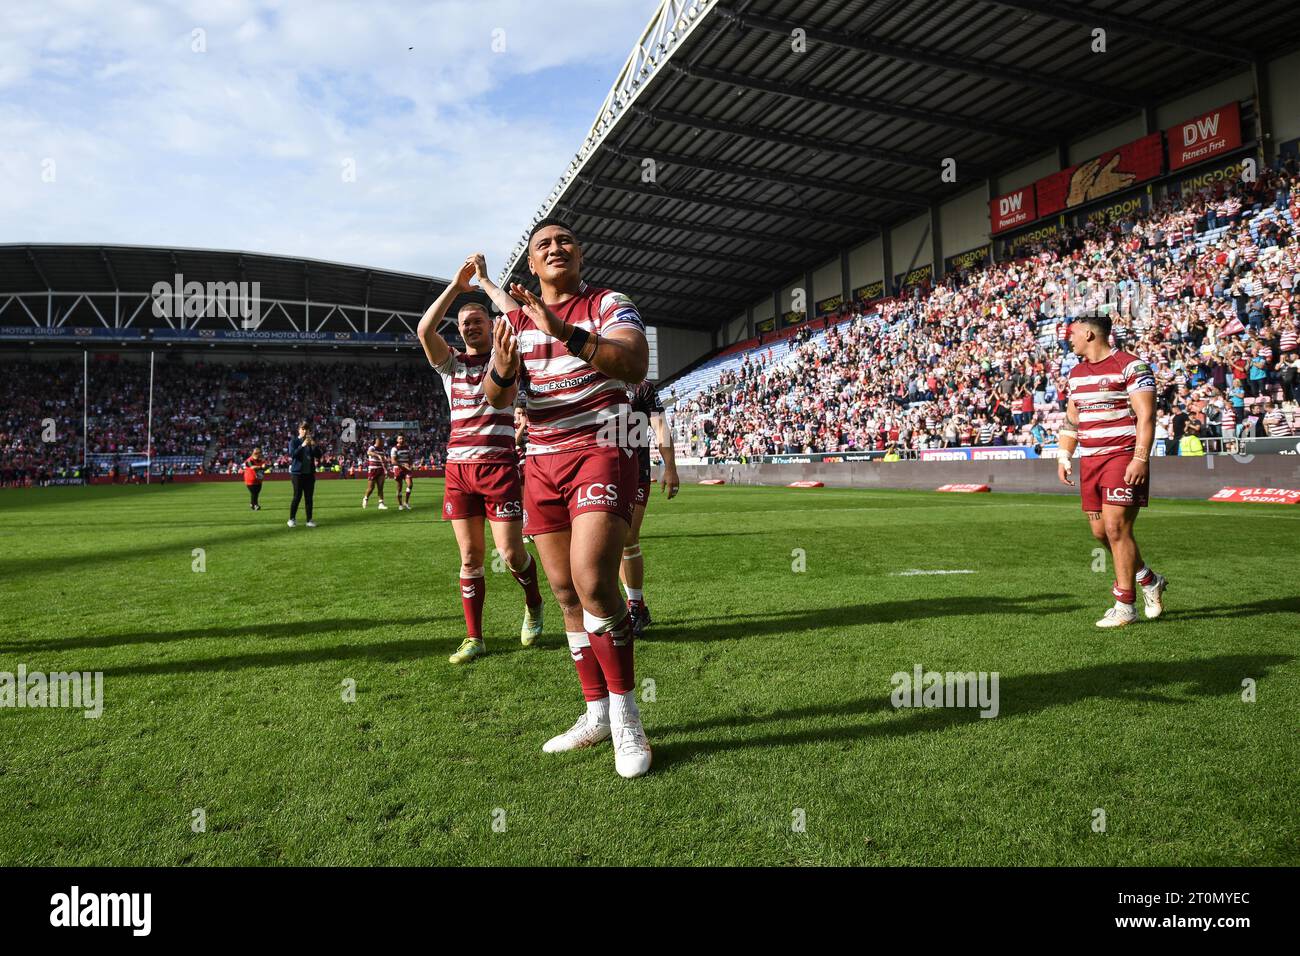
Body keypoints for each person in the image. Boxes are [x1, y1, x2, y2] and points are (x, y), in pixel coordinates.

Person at [483, 219, 653, 778]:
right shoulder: (509, 322)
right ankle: (594, 712)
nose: (556, 249)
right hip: (542, 461)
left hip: (603, 446)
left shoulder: (607, 303)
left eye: (565, 242)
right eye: (543, 245)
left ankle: (628, 719)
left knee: (594, 579)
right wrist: (504, 369)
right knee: (564, 592)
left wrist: (564, 331)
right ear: (530, 265)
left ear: (580, 255)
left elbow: (633, 365)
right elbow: (497, 397)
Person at [416, 255, 546, 665]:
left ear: (492, 327)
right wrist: (456, 287)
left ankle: (534, 602)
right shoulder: (449, 365)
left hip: (498, 468)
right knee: (470, 558)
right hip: (458, 470)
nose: (471, 326)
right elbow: (423, 329)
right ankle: (476, 638)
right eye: (465, 323)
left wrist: (487, 283)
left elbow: (519, 316)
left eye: (478, 321)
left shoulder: (506, 358)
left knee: (510, 554)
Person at [1057, 314, 1167, 628]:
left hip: (1121, 457)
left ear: (1090, 334)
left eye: (1073, 333)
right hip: (1089, 461)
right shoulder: (1076, 373)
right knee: (1100, 532)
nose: (1070, 338)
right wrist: (1064, 455)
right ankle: (1148, 579)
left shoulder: (1132, 366)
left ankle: (1125, 605)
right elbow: (1072, 418)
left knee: (1117, 528)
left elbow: (1146, 416)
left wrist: (1140, 458)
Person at [621, 379, 680, 635]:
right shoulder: (595, 378)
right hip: (598, 469)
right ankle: (637, 605)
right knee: (606, 543)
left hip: (636, 470)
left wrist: (670, 468)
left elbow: (660, 427)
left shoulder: (642, 388)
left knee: (627, 537)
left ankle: (634, 607)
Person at [288, 422, 319, 528]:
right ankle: (292, 518)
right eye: (303, 429)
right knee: (297, 496)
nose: (305, 431)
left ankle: (309, 520)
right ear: (299, 430)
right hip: (297, 474)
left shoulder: (310, 442)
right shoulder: (294, 441)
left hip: (309, 474)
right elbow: (293, 455)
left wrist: (314, 445)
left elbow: (319, 455)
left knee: (309, 498)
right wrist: (302, 445)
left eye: (307, 429)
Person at [390, 434, 415, 510]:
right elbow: (393, 461)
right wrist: (403, 465)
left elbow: (410, 458)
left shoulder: (407, 448)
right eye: (400, 438)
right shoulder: (394, 449)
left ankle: (406, 502)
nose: (402, 440)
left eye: (402, 438)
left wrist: (411, 465)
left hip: (406, 469)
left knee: (410, 484)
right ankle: (400, 504)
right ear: (397, 440)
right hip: (398, 468)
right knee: (399, 487)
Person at [362, 435, 387, 509]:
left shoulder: (382, 450)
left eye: (383, 442)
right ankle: (365, 498)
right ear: (377, 441)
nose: (382, 443)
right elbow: (369, 452)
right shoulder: (372, 447)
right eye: (381, 442)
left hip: (380, 470)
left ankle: (381, 503)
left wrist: (386, 469)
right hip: (373, 470)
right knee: (371, 488)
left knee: (380, 487)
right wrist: (378, 455)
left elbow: (384, 461)